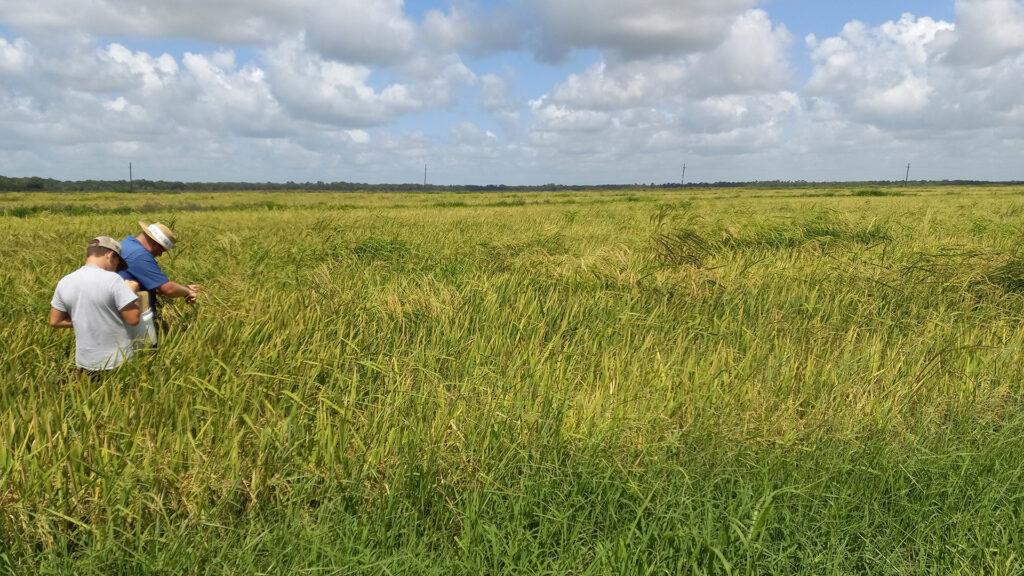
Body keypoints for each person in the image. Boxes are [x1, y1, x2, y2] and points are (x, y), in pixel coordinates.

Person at [50, 236, 141, 372]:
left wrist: (86, 320)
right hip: (118, 362)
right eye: (117, 264)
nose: (116, 269)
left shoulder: (65, 281)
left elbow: (55, 321)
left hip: (85, 363)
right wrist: (131, 293)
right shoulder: (114, 280)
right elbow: (133, 319)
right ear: (110, 255)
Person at [118, 221, 200, 346]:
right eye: (162, 250)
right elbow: (167, 289)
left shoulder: (126, 245)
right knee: (143, 355)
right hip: (133, 316)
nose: (160, 255)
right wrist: (187, 291)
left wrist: (183, 288)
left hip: (121, 313)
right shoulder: (139, 255)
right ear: (154, 243)